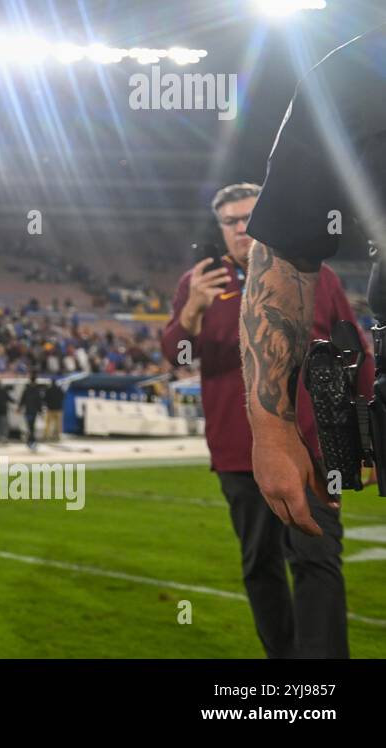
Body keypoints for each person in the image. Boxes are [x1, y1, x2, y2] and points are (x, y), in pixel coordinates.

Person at [165, 182, 363, 659]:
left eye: (249, 217)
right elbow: (175, 355)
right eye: (229, 221)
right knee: (261, 565)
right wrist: (192, 307)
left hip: (314, 446)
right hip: (238, 452)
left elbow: (352, 348)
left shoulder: (312, 273)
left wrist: (361, 442)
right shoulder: (199, 282)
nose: (240, 229)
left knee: (318, 560)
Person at [18, 371, 44, 451]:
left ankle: (31, 442)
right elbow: (39, 401)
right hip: (33, 412)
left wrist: (19, 408)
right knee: (31, 427)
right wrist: (40, 411)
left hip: (28, 411)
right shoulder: (36, 390)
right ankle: (31, 442)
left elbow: (22, 399)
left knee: (30, 427)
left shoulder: (27, 389)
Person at [43, 377, 64, 442]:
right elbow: (63, 397)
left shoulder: (48, 390)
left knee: (48, 424)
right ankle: (57, 436)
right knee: (58, 424)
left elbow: (45, 399)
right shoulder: (59, 389)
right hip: (58, 409)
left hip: (50, 409)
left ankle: (46, 436)